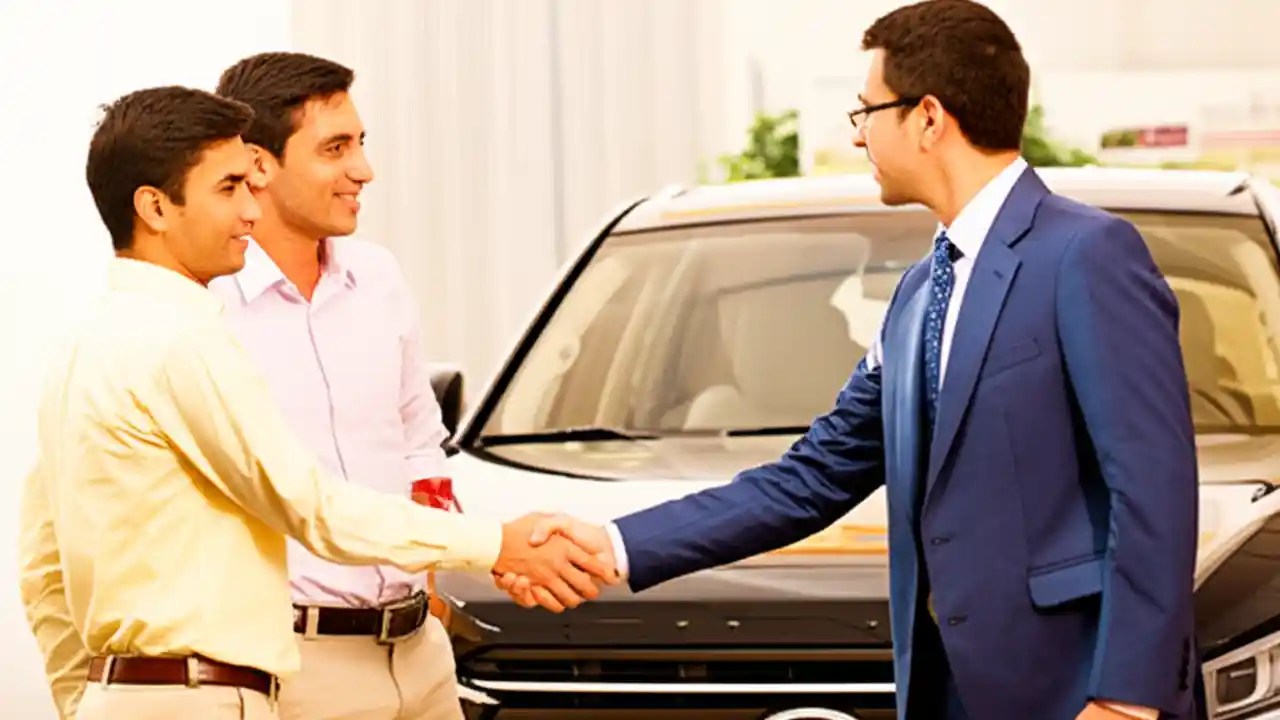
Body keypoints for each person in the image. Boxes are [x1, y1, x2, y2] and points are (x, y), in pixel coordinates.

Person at [501, 2, 1203, 719]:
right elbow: (810, 478)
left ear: (928, 117)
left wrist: (1126, 699)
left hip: (1072, 693)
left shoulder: (1086, 255)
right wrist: (613, 544)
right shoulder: (917, 295)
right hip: (946, 693)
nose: (860, 131)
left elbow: (1153, 488)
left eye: (867, 110)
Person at [18, 85, 612, 720]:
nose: (252, 210)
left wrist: (87, 701)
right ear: (155, 207)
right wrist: (499, 544)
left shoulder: (84, 343)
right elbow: (312, 507)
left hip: (144, 694)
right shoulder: (183, 338)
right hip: (207, 696)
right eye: (229, 189)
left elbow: (45, 563)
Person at [207, 51, 467, 720]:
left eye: (361, 143)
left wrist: (430, 576)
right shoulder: (204, 310)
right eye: (336, 148)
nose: (363, 170)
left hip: (421, 655)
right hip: (296, 670)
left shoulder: (379, 278)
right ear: (259, 164)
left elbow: (418, 443)